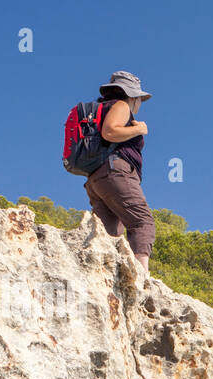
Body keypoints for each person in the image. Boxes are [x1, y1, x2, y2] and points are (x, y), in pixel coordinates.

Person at [84, 71, 156, 270]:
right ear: (132, 96)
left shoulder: (100, 109)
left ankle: (101, 276)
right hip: (116, 172)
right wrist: (139, 130)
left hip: (96, 179)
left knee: (109, 233)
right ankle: (142, 277)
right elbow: (110, 131)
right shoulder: (121, 105)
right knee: (142, 221)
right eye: (139, 99)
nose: (140, 103)